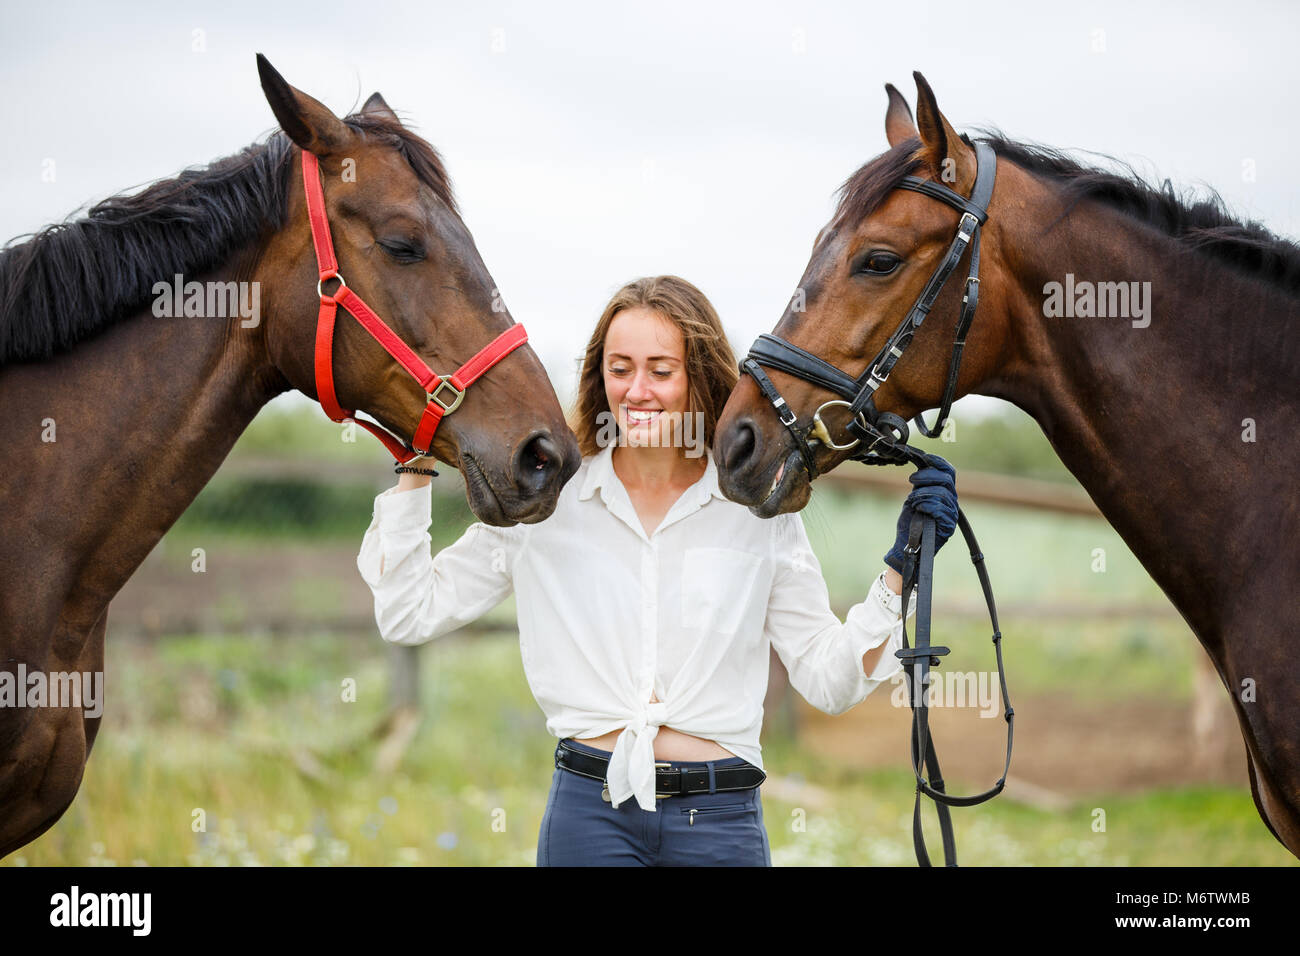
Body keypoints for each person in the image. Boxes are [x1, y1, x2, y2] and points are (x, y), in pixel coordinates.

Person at [355, 275, 959, 866]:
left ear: (698, 377)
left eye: (660, 371)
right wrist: (414, 461)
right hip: (588, 819)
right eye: (620, 369)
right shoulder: (548, 502)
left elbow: (830, 680)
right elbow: (409, 612)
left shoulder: (755, 511)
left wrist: (902, 567)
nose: (637, 390)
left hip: (720, 822)